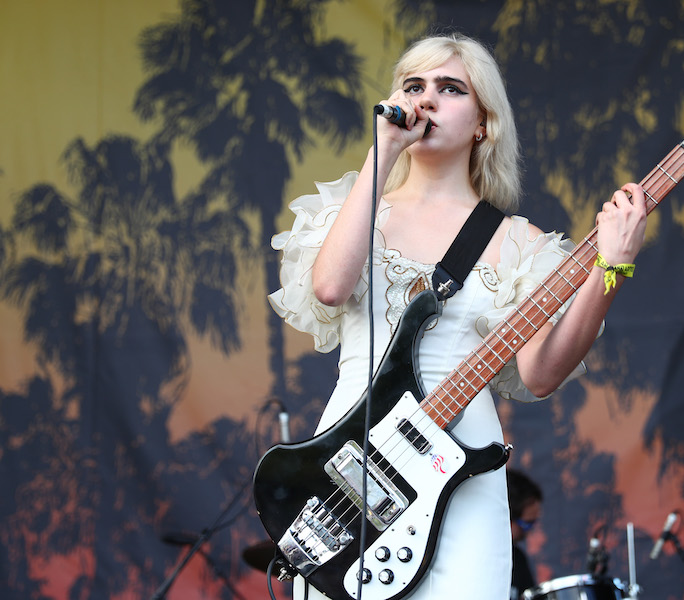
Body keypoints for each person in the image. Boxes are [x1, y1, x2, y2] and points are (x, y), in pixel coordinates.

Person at [268, 32, 647, 600]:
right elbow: (328, 287)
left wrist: (609, 271)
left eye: (450, 89)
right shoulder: (357, 209)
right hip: (351, 462)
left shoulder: (518, 242)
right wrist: (383, 152)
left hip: (459, 472)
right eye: (414, 86)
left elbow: (542, 375)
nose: (427, 100)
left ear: (482, 123)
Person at [507, 469, 544, 600]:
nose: (530, 530)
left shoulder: (519, 560)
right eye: (527, 523)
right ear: (507, 519)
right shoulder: (474, 558)